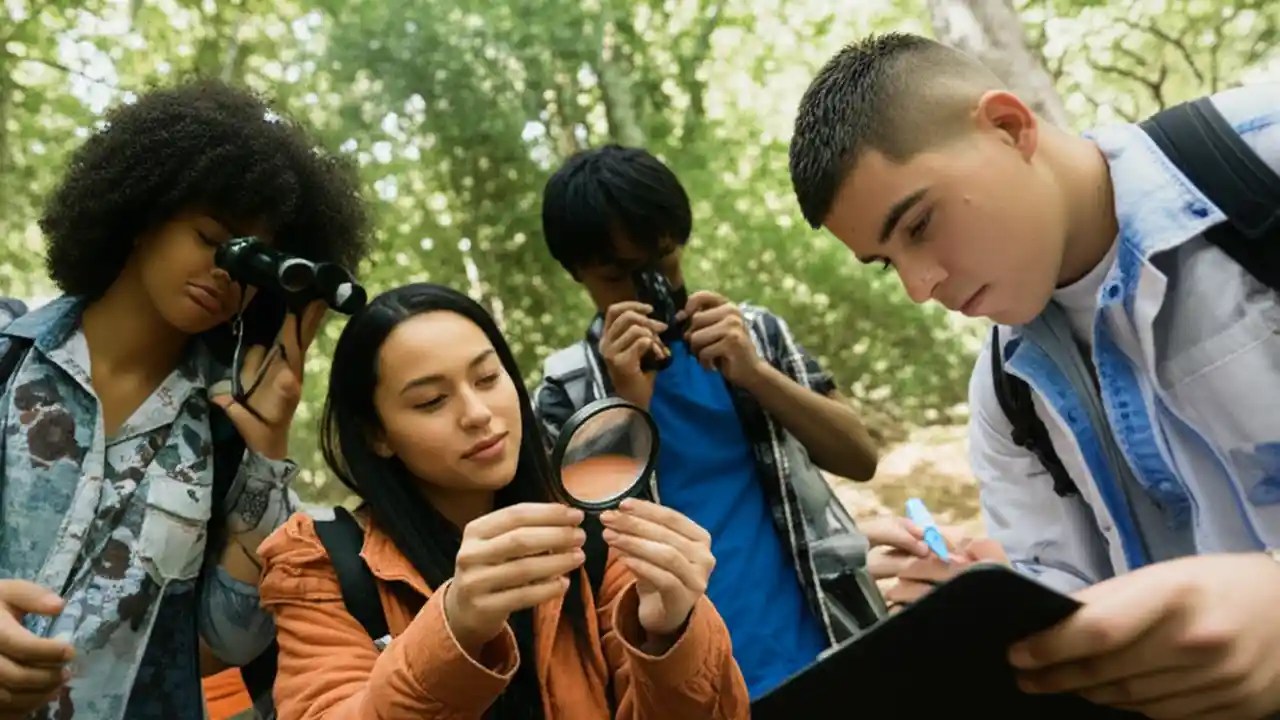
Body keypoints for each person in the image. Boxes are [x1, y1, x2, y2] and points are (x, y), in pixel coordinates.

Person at [789, 31, 1280, 719]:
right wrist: (1001, 596)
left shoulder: (1260, 174)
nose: (919, 286)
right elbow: (1079, 609)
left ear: (1008, 126)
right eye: (886, 262)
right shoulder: (1007, 394)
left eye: (921, 224)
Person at [0, 78, 368, 719]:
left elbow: (231, 639)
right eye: (212, 238)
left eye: (253, 264)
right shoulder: (7, 360)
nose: (227, 272)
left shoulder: (224, 433)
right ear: (144, 211)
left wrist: (267, 449)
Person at [257, 283, 750, 720]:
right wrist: (455, 628)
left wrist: (673, 636)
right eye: (431, 401)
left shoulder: (594, 535)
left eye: (488, 378)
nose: (477, 413)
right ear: (377, 435)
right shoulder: (316, 564)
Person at [533, 145, 882, 699]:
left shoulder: (754, 334)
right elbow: (581, 555)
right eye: (617, 275)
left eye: (662, 261)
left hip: (827, 642)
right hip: (692, 687)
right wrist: (630, 408)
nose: (650, 287)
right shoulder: (565, 392)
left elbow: (859, 457)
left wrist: (756, 375)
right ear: (578, 273)